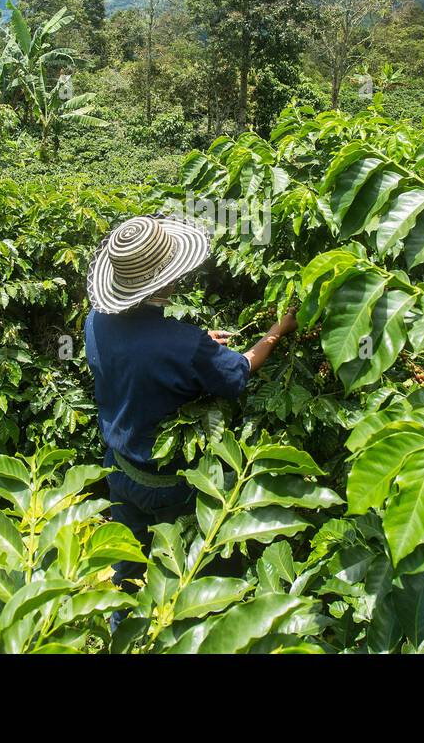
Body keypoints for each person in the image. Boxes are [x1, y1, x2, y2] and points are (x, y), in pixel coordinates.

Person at [83, 213, 296, 621]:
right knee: (181, 569)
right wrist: (276, 331)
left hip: (119, 468)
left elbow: (142, 362)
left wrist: (196, 348)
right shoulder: (184, 344)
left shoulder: (97, 320)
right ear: (167, 278)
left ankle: (120, 630)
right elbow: (240, 369)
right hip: (168, 483)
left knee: (127, 564)